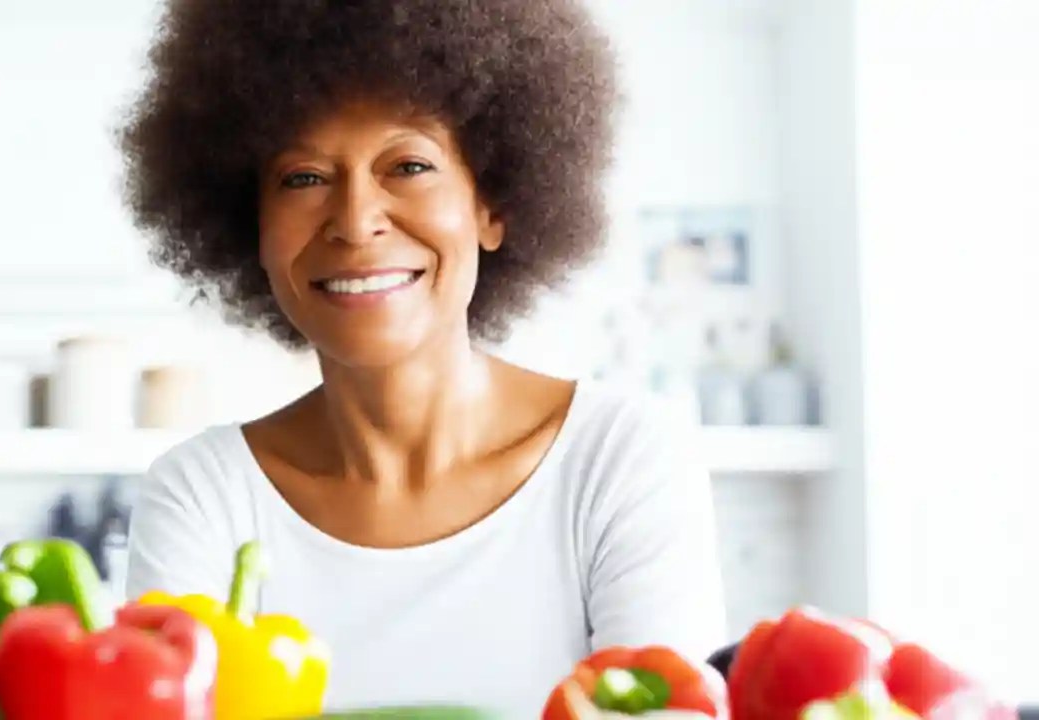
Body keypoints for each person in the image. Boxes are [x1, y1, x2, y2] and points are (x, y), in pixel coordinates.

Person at [119, 0, 727, 713]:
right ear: (251, 226)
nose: (355, 222)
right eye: (304, 177)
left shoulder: (619, 460)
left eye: (408, 165)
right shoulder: (202, 496)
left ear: (491, 207)